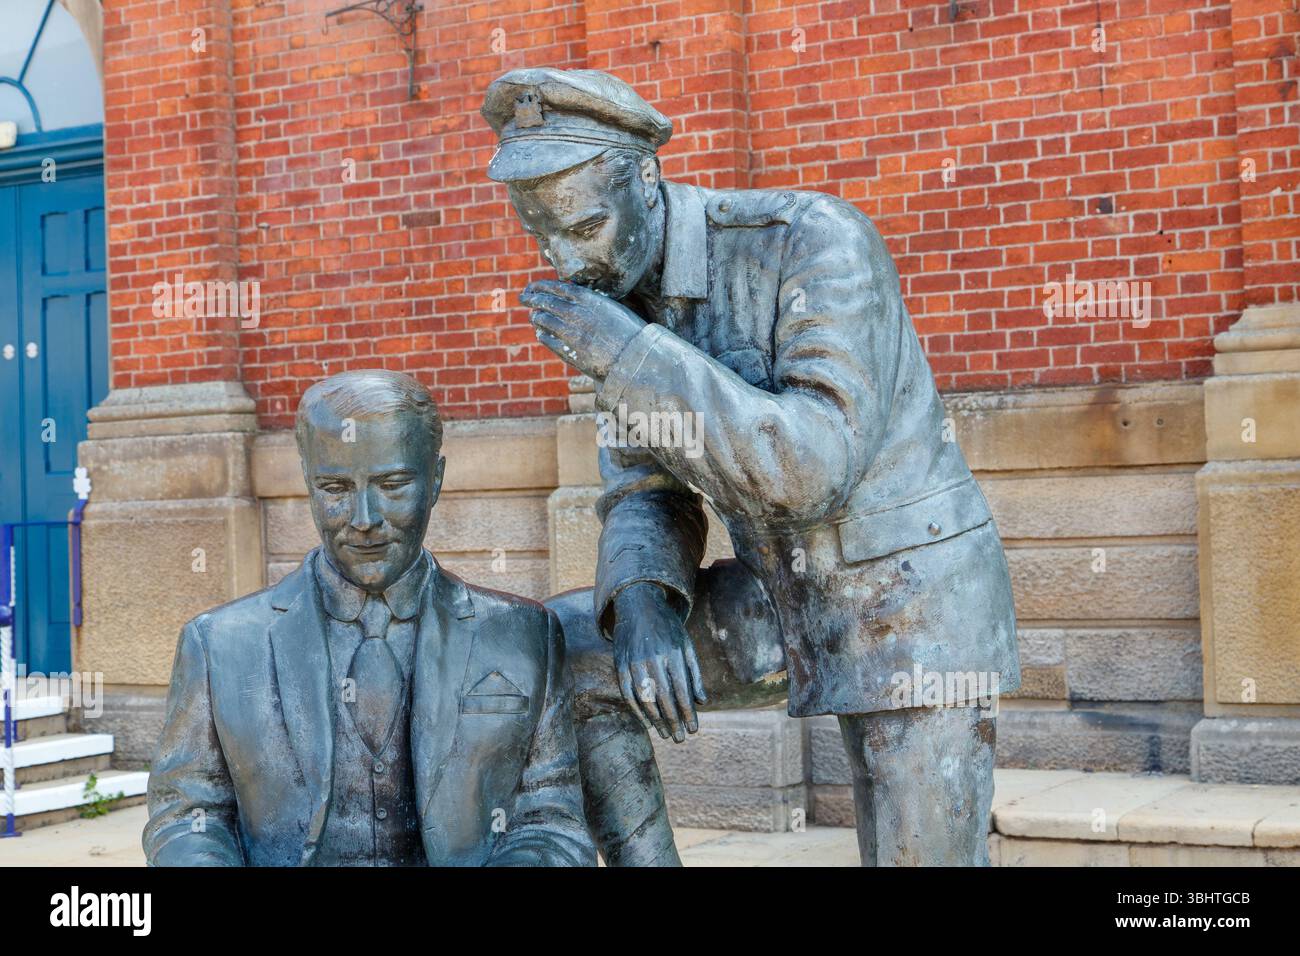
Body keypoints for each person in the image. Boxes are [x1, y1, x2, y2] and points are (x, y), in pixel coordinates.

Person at [482, 67, 1021, 866]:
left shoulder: (812, 239)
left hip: (910, 604)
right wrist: (643, 606)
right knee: (571, 651)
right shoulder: (620, 301)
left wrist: (628, 355)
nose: (567, 263)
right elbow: (643, 486)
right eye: (545, 238)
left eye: (586, 226)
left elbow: (811, 465)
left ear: (647, 177)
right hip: (784, 600)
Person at [143, 369, 594, 866]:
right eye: (335, 487)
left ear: (436, 479)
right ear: (308, 484)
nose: (363, 519)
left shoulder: (521, 635)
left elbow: (550, 820)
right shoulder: (219, 645)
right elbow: (186, 814)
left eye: (392, 484)